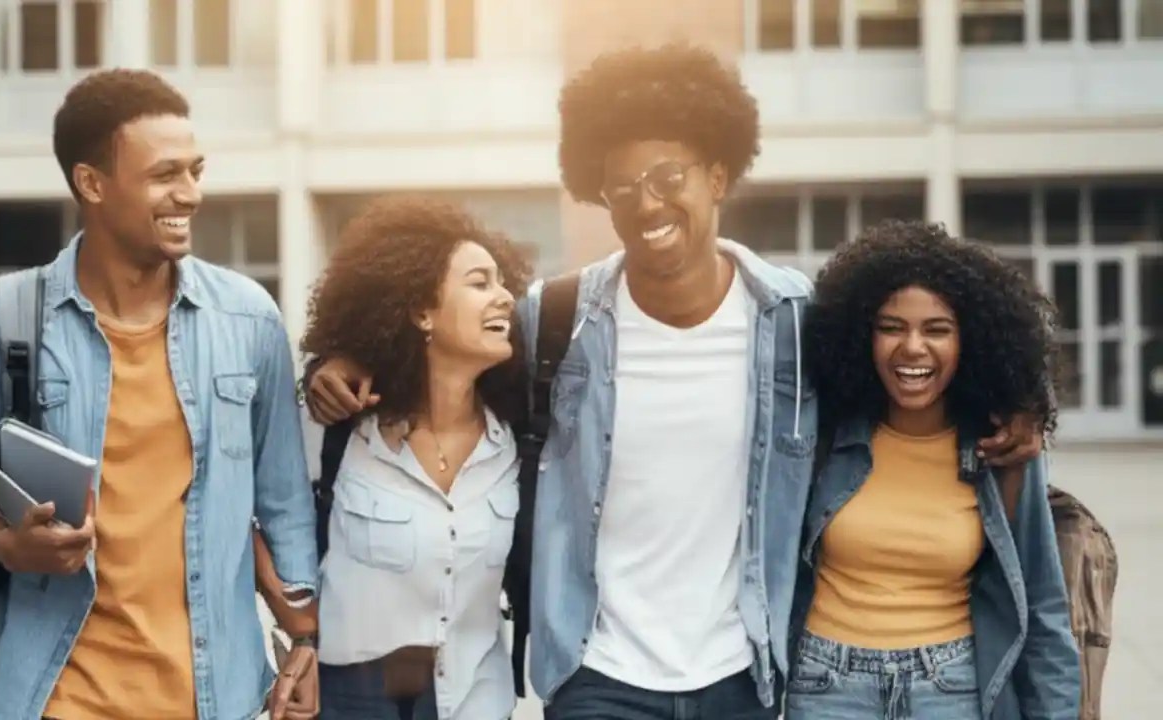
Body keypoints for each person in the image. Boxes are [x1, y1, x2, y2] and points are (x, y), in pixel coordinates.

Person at [305, 44, 1043, 719]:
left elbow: (907, 377)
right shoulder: (554, 321)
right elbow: (439, 341)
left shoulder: (794, 322)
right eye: (622, 186)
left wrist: (1009, 400)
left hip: (738, 675)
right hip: (598, 675)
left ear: (717, 176)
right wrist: (346, 356)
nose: (647, 203)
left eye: (668, 177)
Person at [0, 69, 319, 720]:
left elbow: (284, 505)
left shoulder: (249, 320)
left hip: (218, 697)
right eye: (166, 175)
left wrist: (305, 639)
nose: (189, 194)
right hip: (58, 698)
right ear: (92, 183)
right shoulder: (3, 320)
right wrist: (10, 545)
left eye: (196, 170)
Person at [790, 220, 1081, 720]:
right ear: (861, 336)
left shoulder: (1003, 450)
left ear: (973, 342)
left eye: (938, 329)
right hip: (827, 686)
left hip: (950, 690)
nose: (913, 348)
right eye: (891, 327)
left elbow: (1044, 608)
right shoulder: (825, 433)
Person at [258, 195, 531, 720]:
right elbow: (257, 518)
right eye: (480, 283)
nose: (505, 299)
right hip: (348, 703)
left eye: (502, 283)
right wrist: (298, 636)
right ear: (420, 311)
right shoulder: (340, 431)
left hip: (476, 703)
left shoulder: (519, 436)